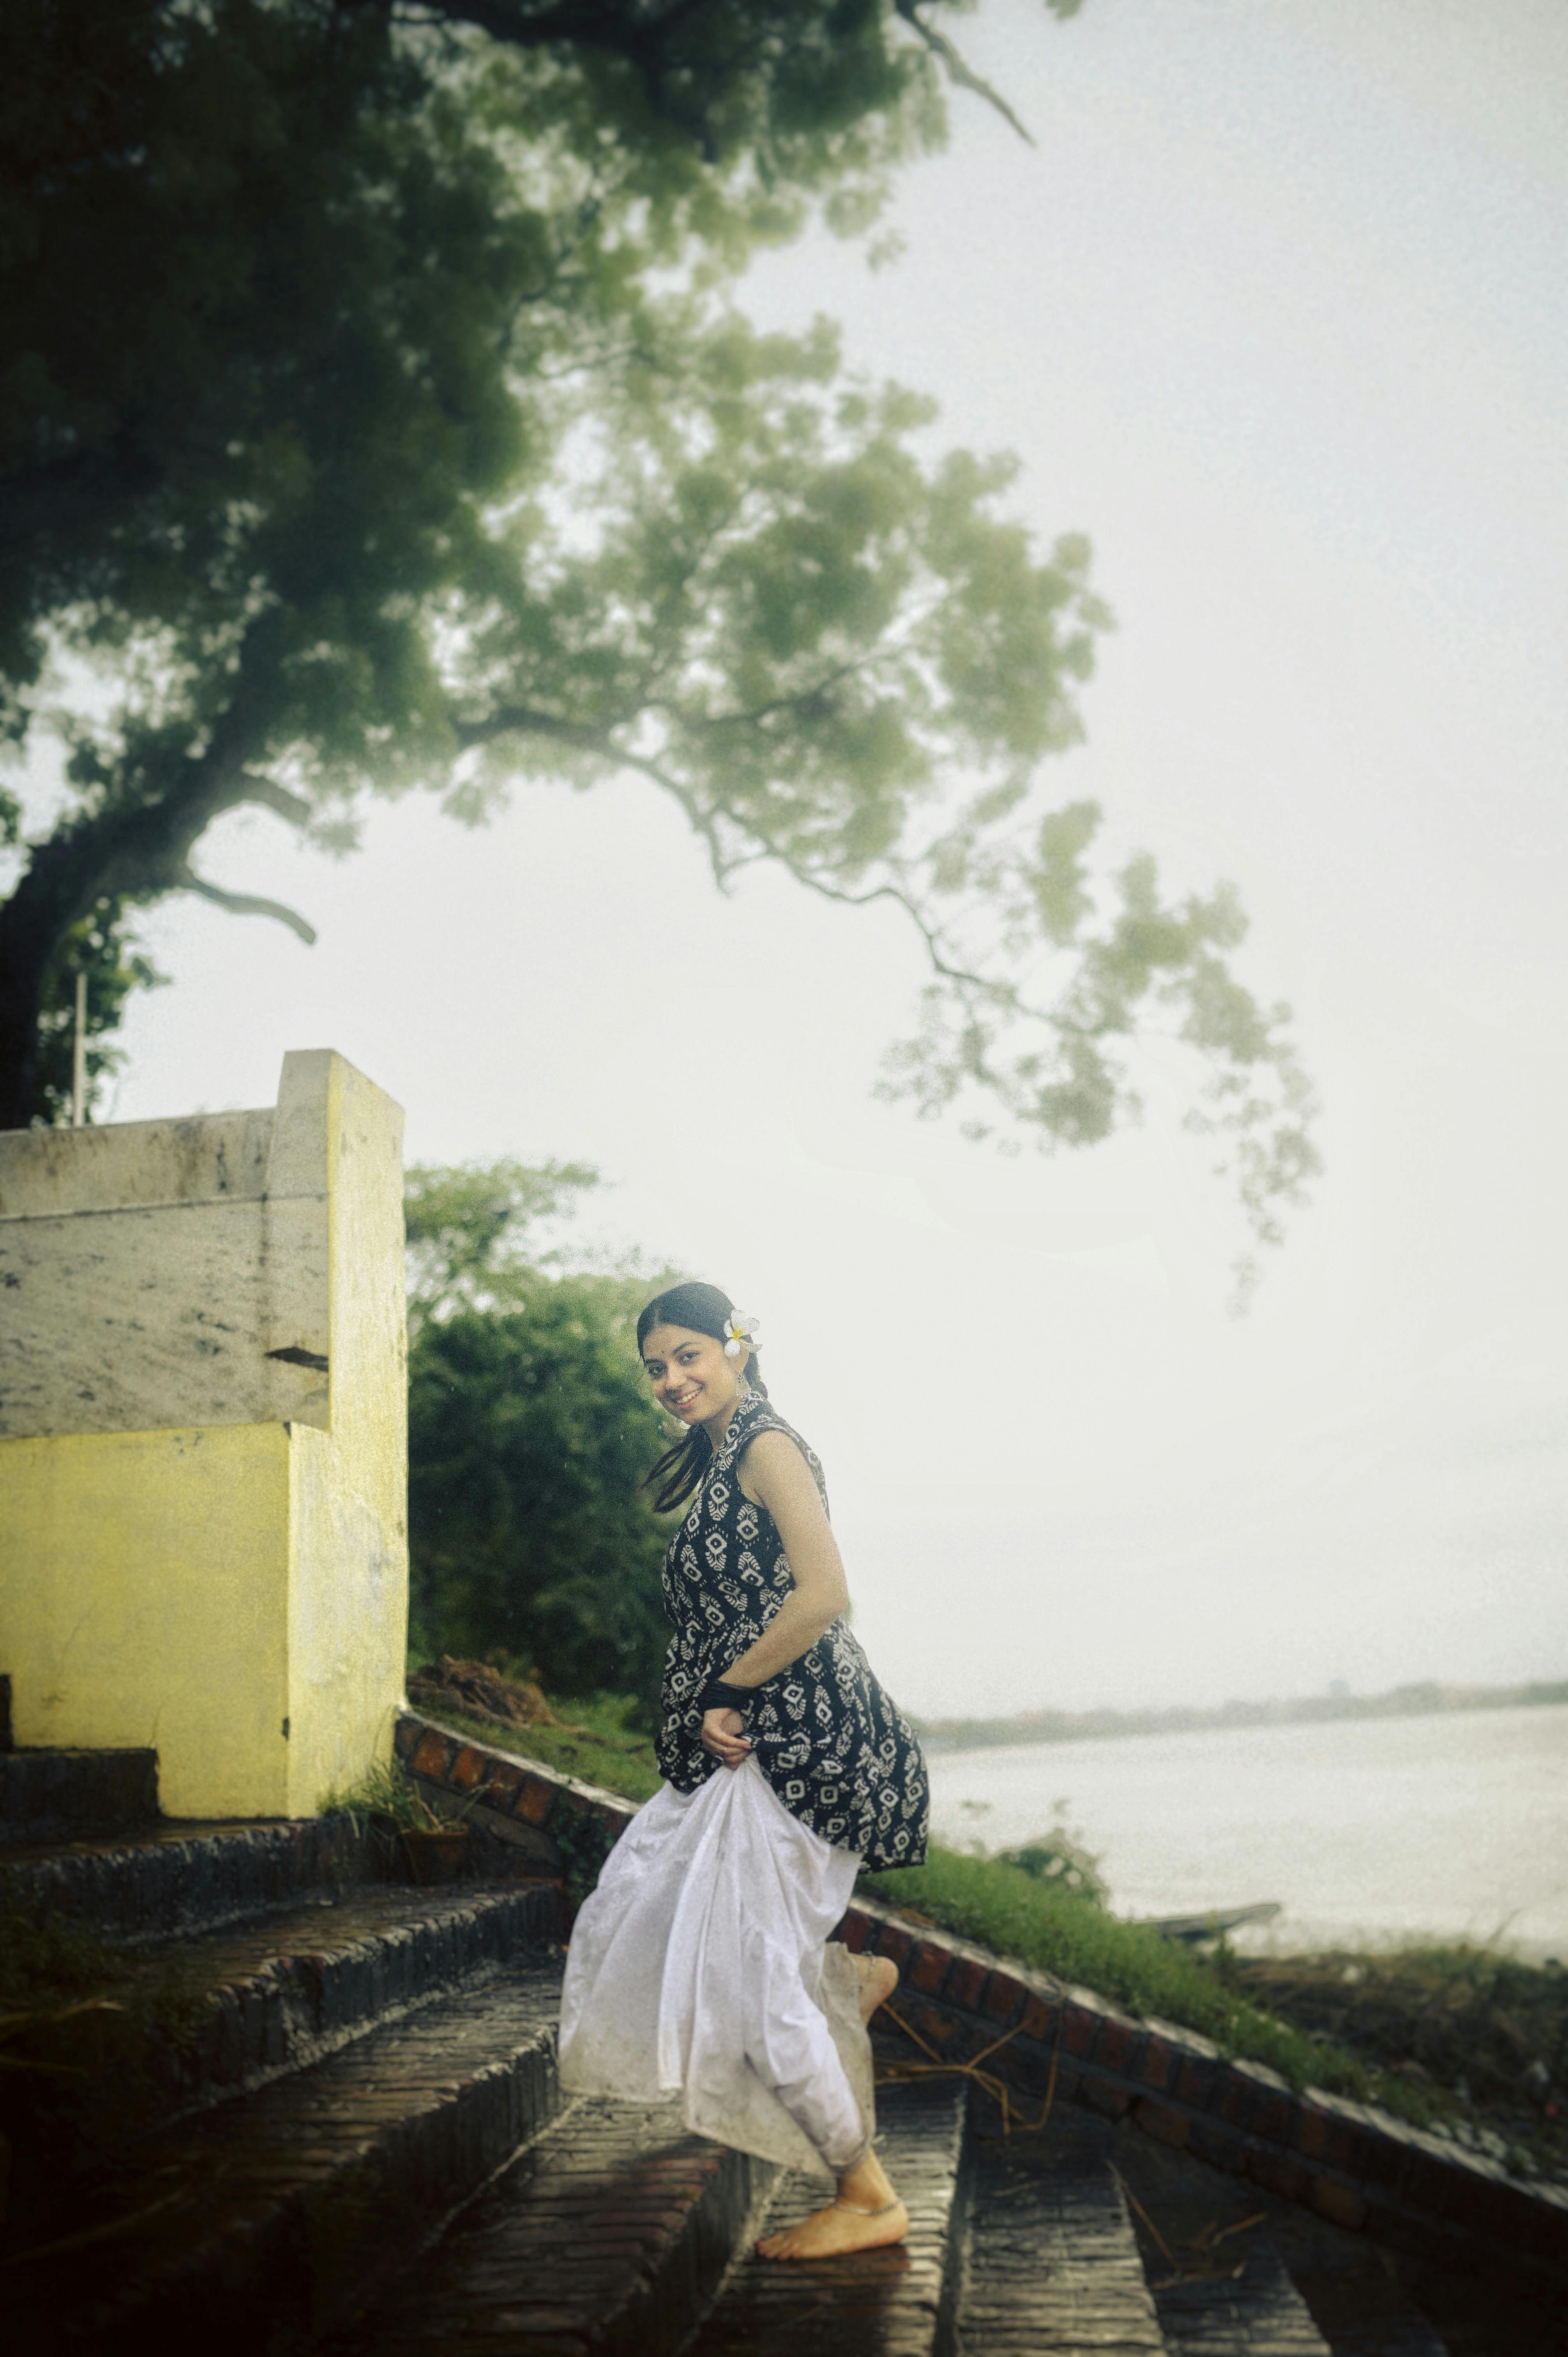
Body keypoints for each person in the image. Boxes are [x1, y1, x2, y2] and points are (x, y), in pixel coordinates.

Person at [558, 1281, 930, 2259]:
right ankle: (841, 1992)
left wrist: (725, 1689)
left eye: (687, 1355)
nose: (671, 1380)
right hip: (745, 1745)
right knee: (643, 1904)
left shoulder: (767, 1446)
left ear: (738, 1347)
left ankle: (867, 2196)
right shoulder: (722, 1456)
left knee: (751, 1977)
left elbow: (824, 1596)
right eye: (655, 1368)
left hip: (801, 1740)